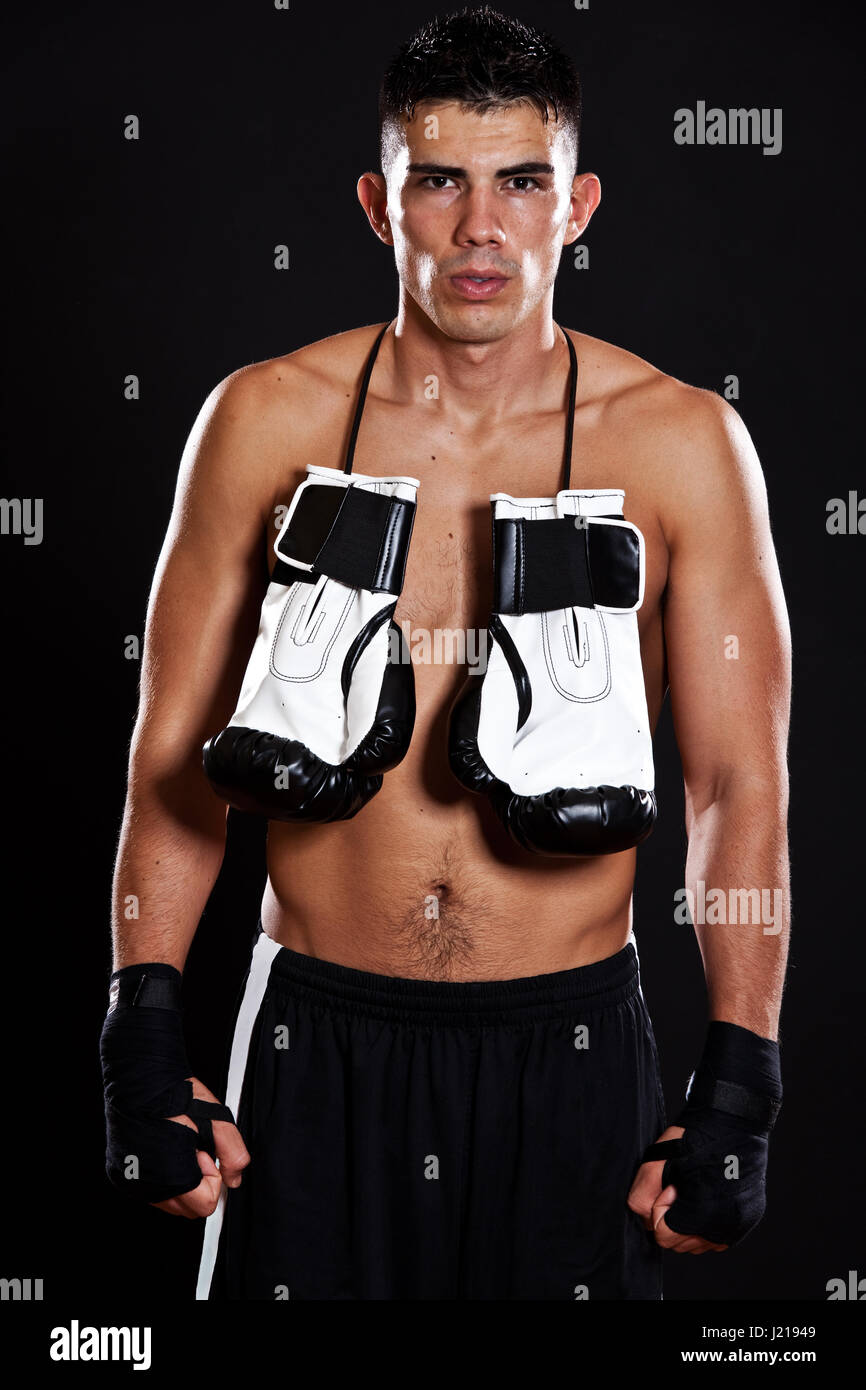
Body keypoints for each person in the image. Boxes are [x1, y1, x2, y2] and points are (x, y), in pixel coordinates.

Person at [100, 6, 791, 1301]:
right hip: (317, 1036)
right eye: (439, 181)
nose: (481, 227)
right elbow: (171, 759)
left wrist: (741, 1078)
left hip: (571, 1044)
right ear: (379, 203)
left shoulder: (680, 442)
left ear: (575, 203)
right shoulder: (262, 419)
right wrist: (142, 1033)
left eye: (520, 181)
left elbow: (733, 786)